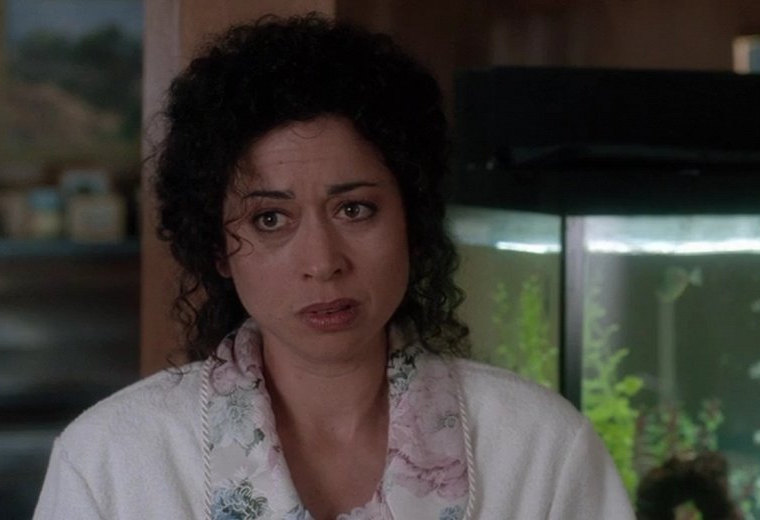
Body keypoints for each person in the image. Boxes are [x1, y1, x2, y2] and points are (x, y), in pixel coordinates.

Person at [33, 13, 633, 520]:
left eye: (354, 209)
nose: (322, 263)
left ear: (413, 220)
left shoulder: (540, 448)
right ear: (217, 248)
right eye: (271, 219)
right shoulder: (112, 460)